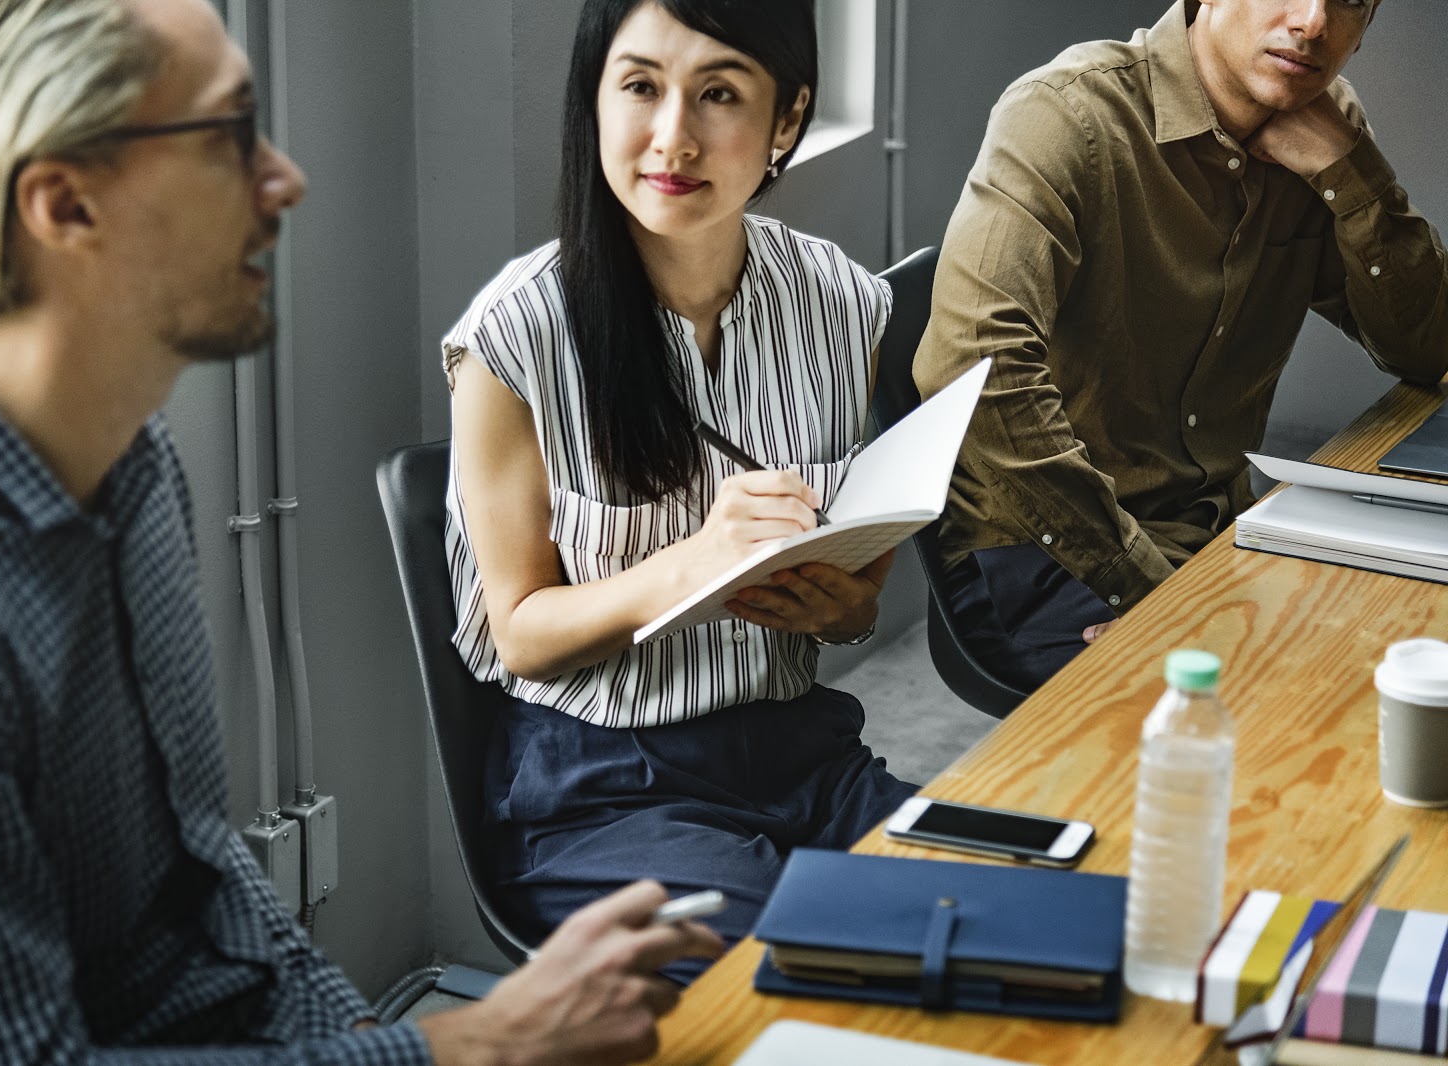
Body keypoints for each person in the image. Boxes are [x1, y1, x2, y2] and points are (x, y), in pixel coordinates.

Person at [0, 0, 721, 1062]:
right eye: (227, 135)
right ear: (64, 204)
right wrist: (475, 1044)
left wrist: (361, 1030)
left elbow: (205, 873)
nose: (285, 179)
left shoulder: (126, 458)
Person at [444, 0, 917, 979]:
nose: (673, 136)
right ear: (595, 98)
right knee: (807, 970)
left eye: (720, 94)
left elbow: (857, 601)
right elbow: (519, 630)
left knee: (985, 918)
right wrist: (694, 562)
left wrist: (841, 607)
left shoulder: (843, 305)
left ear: (787, 117)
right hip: (601, 790)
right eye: (640, 86)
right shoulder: (513, 336)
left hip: (805, 754)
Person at [912, 0, 1448, 692]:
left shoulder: (1323, 125)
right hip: (1050, 555)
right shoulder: (1066, 114)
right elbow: (973, 369)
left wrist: (1351, 172)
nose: (1314, 22)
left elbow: (1426, 346)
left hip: (1218, 527)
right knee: (1279, 714)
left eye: (1348, 1)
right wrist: (1151, 595)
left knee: (1400, 649)